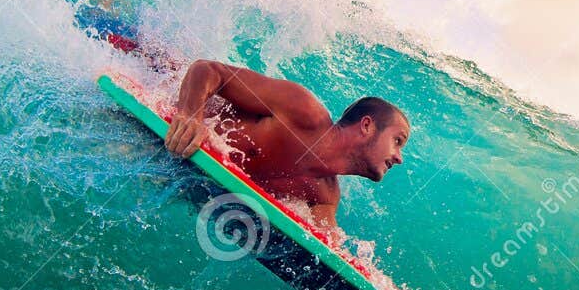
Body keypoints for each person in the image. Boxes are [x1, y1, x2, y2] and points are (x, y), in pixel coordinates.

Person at [162, 58, 409, 231]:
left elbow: (327, 246)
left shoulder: (325, 197)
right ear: (366, 126)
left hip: (176, 167)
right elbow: (207, 70)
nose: (399, 157)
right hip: (163, 93)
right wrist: (190, 116)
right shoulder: (303, 112)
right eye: (397, 141)